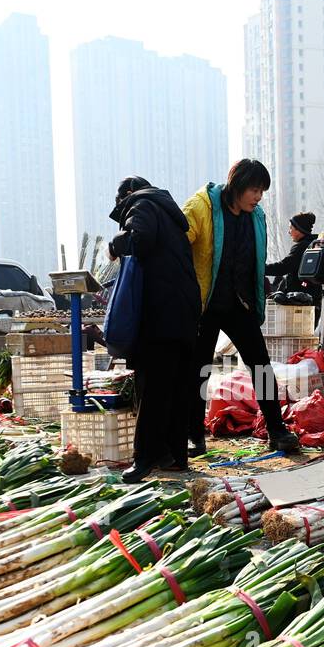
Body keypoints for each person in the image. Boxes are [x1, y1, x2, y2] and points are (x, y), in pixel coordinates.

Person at [183, 159, 300, 456]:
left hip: (240, 304)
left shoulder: (255, 216)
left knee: (261, 365)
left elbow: (255, 261)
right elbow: (180, 242)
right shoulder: (202, 207)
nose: (259, 196)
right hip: (206, 304)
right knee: (199, 371)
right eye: (255, 189)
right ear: (237, 185)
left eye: (262, 191)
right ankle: (194, 434)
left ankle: (277, 430)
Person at [107, 176, 202, 482]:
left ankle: (144, 457)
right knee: (175, 388)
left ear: (128, 195)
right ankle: (173, 456)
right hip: (183, 312)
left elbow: (140, 240)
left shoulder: (143, 203)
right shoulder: (171, 216)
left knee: (153, 389)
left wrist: (115, 244)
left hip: (160, 314)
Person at [264, 211, 316, 296]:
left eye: (291, 228)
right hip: (311, 294)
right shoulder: (313, 244)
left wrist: (261, 269)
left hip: (299, 297)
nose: (289, 232)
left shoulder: (301, 247)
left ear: (299, 229)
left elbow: (283, 267)